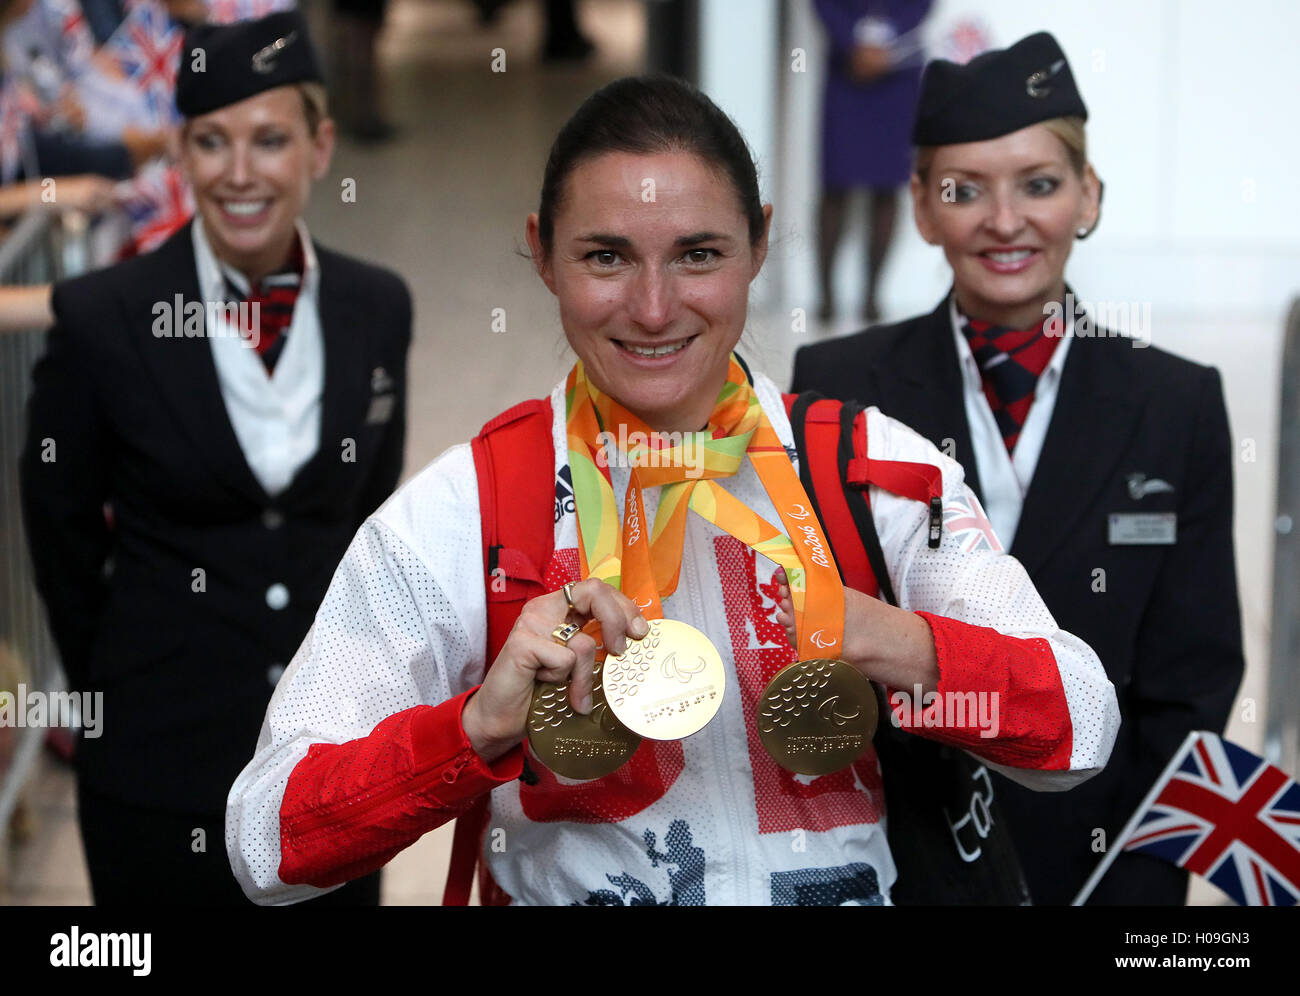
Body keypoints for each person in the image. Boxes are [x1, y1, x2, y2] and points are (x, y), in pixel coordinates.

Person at [226, 74, 1118, 907]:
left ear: (760, 244)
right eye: (606, 257)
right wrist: (476, 727)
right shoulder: (465, 508)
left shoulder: (875, 470)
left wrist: (904, 643)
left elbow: (1078, 728)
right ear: (541, 254)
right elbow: (266, 842)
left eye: (698, 254)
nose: (654, 309)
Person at [791, 32, 1244, 905]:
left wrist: (1136, 886)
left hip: (1102, 858)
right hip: (898, 857)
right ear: (920, 205)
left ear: (1088, 196)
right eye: (964, 190)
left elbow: (1193, 685)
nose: (1005, 221)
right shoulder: (838, 388)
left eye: (1039, 184)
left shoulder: (1176, 404)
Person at [20, 9, 411, 905]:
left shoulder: (377, 306)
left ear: (320, 146)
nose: (240, 174)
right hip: (159, 758)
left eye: (270, 140)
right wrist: (120, 684)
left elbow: (360, 516)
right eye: (211, 141)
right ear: (181, 153)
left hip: (331, 758)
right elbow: (60, 529)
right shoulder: (103, 316)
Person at [812, 0, 931, 323]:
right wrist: (852, 42)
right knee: (835, 183)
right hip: (847, 70)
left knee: (887, 185)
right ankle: (825, 297)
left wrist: (888, 42)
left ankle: (871, 297)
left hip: (899, 73)